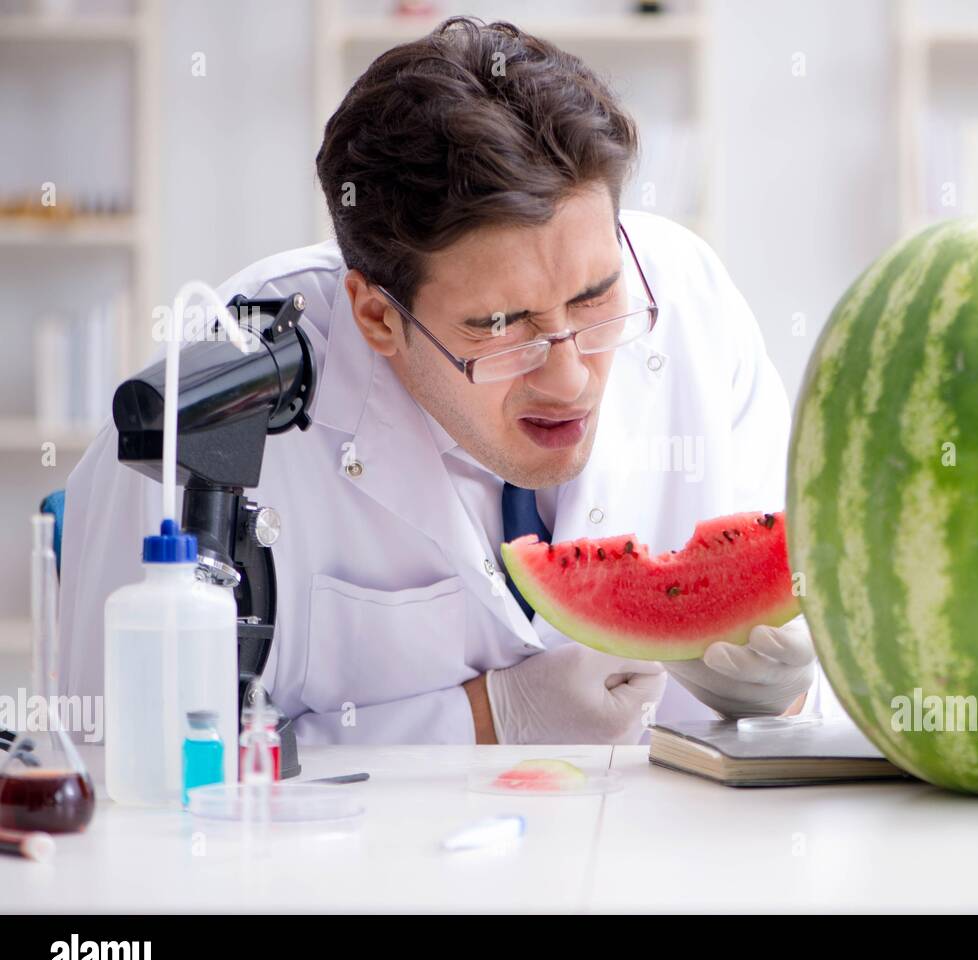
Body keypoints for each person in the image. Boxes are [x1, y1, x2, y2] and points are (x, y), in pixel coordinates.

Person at [59, 17, 822, 746]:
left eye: (593, 299)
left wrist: (781, 695)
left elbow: (787, 698)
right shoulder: (214, 408)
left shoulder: (690, 300)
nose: (568, 379)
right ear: (376, 315)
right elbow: (116, 761)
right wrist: (484, 720)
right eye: (500, 326)